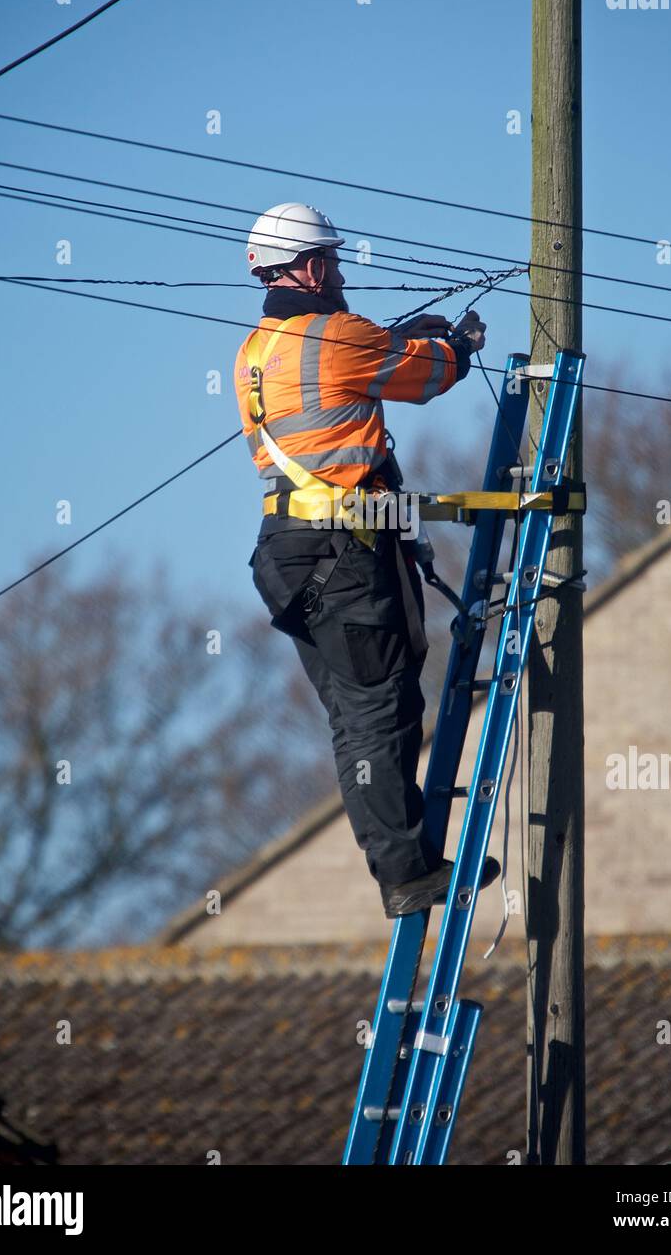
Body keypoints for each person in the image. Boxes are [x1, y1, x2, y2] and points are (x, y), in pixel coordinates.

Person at [234, 202, 499, 916]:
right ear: (314, 266)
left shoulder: (256, 349)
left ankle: (402, 863)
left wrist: (399, 338)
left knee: (355, 717)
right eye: (337, 259)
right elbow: (423, 378)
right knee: (381, 710)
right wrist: (460, 347)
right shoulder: (335, 334)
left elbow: (354, 367)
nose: (344, 271)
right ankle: (407, 873)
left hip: (286, 555)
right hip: (341, 552)